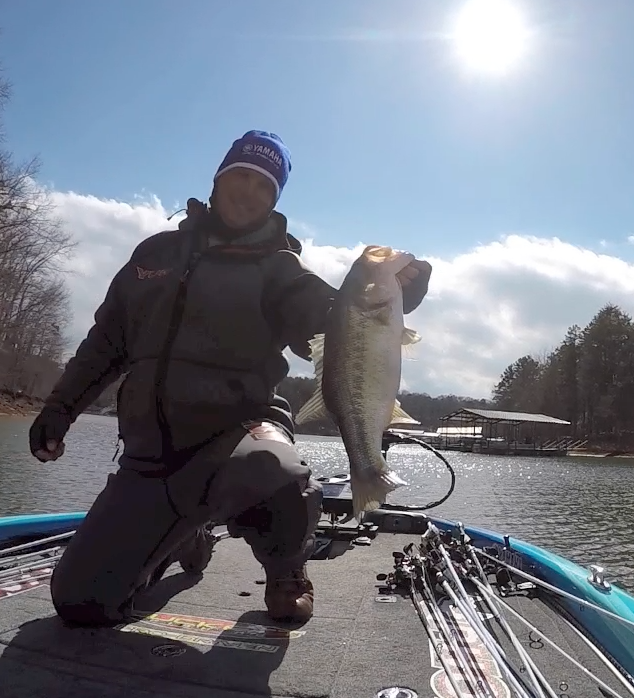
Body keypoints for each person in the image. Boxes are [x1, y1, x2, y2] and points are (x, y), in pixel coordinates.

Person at [27, 130, 432, 627]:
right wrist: (60, 409)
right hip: (150, 460)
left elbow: (333, 320)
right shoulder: (153, 255)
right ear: (218, 179)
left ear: (275, 200)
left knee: (274, 469)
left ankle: (286, 572)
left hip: (237, 438)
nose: (249, 192)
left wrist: (393, 297)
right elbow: (106, 342)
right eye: (241, 176)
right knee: (80, 603)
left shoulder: (281, 269)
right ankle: (185, 535)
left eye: (264, 186)